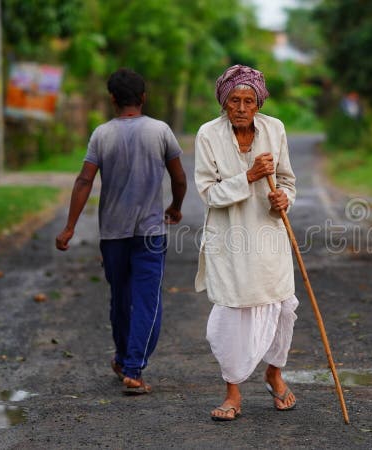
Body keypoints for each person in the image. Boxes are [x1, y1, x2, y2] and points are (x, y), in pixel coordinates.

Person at [55, 68, 187, 394]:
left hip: (112, 235)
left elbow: (84, 180)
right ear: (143, 98)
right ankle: (133, 370)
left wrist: (70, 227)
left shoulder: (102, 134)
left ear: (112, 99)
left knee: (120, 299)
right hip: (150, 233)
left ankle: (123, 358)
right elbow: (179, 178)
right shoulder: (161, 131)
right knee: (147, 301)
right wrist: (176, 206)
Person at [194, 64, 299, 421]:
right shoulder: (208, 134)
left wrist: (284, 198)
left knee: (282, 308)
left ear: (259, 104)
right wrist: (249, 176)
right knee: (232, 314)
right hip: (230, 239)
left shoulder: (275, 130)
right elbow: (208, 193)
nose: (241, 108)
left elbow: (287, 180)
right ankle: (232, 393)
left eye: (248, 101)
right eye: (234, 101)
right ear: (224, 103)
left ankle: (274, 372)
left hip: (270, 235)